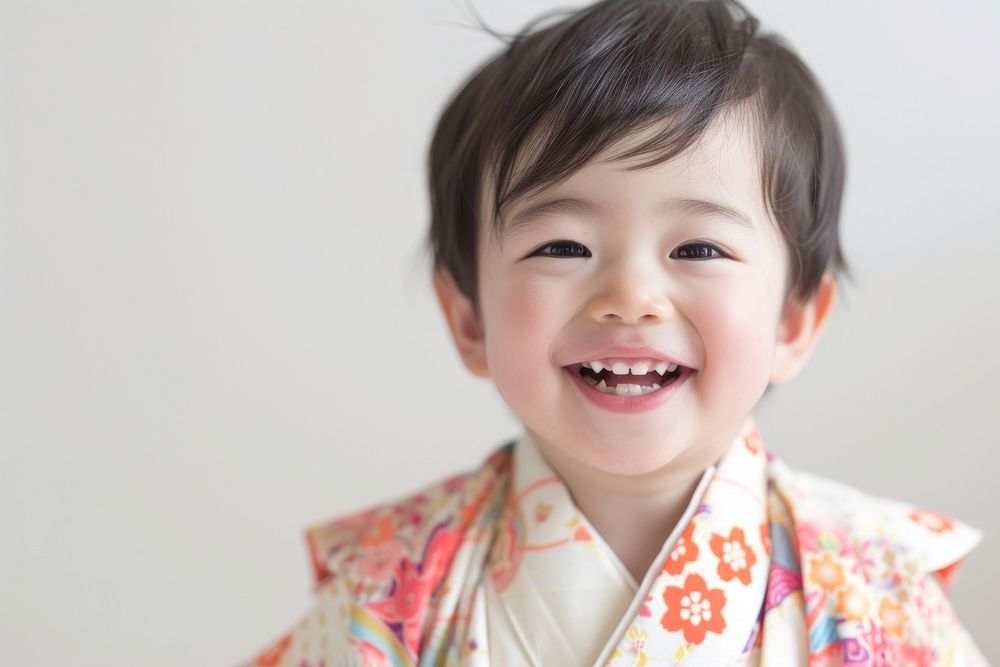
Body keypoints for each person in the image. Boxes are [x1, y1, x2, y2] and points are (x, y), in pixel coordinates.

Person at [241, 0, 986, 664]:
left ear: (793, 321)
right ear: (468, 317)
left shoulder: (877, 592)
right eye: (562, 247)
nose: (629, 298)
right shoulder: (388, 589)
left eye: (698, 249)